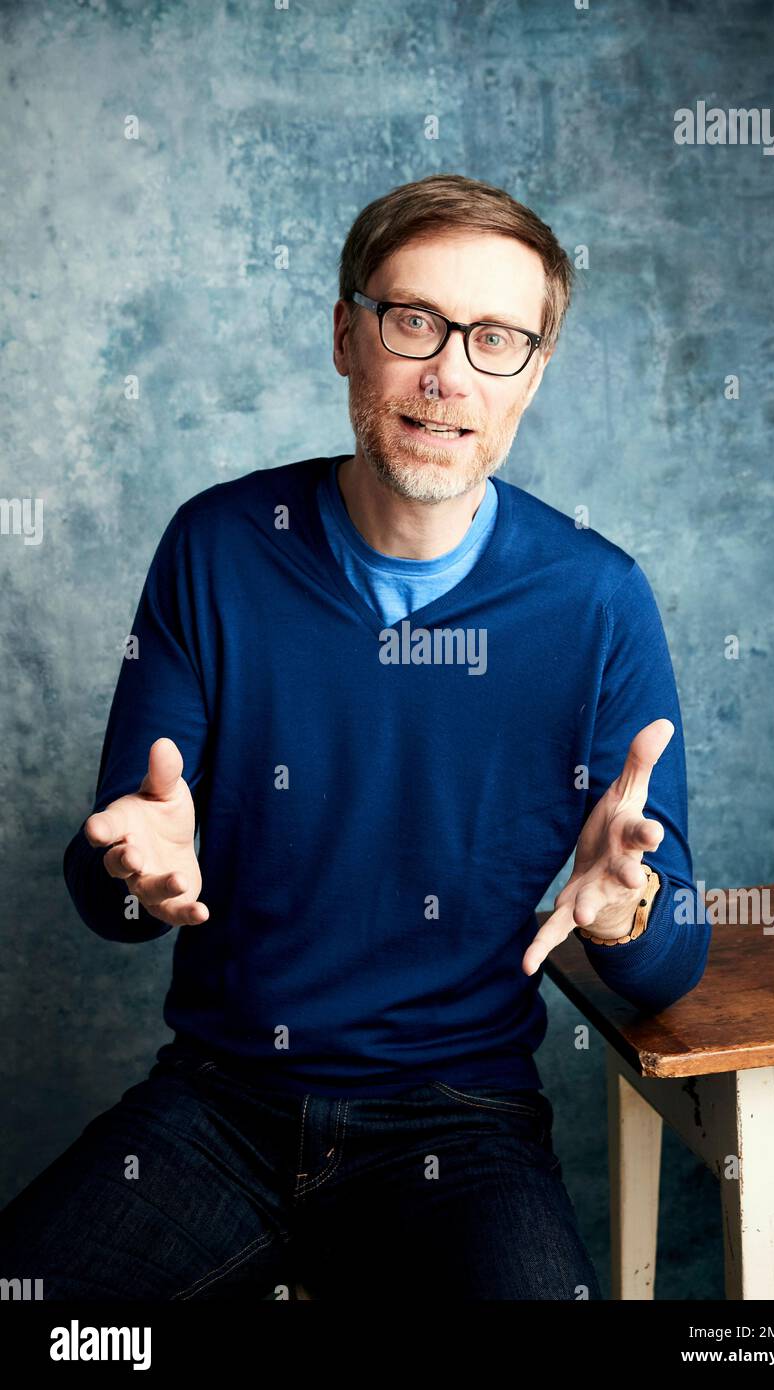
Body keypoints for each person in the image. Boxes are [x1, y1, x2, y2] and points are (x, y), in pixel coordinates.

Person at [0, 173, 710, 1301]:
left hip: (459, 1123)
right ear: (347, 334)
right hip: (216, 1106)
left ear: (532, 374)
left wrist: (627, 910)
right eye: (414, 321)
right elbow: (110, 894)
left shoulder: (596, 601)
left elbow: (675, 949)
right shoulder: (217, 547)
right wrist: (133, 869)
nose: (447, 374)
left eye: (495, 340)